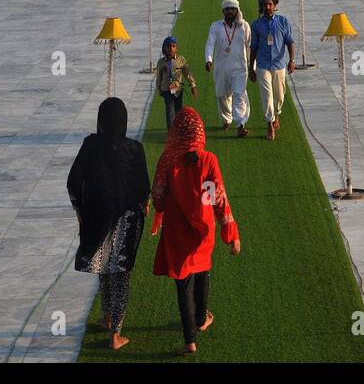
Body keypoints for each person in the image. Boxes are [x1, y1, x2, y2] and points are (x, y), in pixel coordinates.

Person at [151, 108, 240, 355]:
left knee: (183, 283)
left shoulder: (167, 158)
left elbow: (157, 194)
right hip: (203, 230)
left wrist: (163, 208)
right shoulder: (208, 160)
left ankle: (189, 340)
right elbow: (217, 199)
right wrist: (231, 233)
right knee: (202, 271)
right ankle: (202, 318)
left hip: (176, 231)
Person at [67, 98, 150, 351]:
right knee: (121, 274)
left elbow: (73, 183)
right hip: (126, 220)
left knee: (103, 268)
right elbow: (144, 187)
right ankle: (115, 334)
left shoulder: (90, 145)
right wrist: (143, 208)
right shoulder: (134, 149)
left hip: (96, 218)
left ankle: (106, 316)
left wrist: (80, 211)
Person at [248, 0, 295, 141]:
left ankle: (276, 114)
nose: (267, 7)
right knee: (267, 96)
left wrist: (292, 60)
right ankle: (269, 124)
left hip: (279, 64)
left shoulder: (283, 21)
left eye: (270, 4)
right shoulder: (256, 25)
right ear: (261, 7)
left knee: (280, 96)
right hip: (262, 65)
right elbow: (253, 47)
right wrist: (251, 68)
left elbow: (290, 42)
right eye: (265, 5)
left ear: (275, 6)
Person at [204, 0, 251, 136]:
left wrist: (252, 65)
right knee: (222, 95)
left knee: (239, 95)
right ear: (223, 11)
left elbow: (250, 45)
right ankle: (227, 119)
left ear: (237, 11)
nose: (230, 11)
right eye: (227, 9)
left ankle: (240, 124)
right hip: (221, 67)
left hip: (240, 68)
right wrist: (208, 59)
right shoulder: (216, 26)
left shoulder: (244, 26)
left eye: (233, 9)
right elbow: (209, 44)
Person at [155, 36, 197, 130]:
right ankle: (171, 132)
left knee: (179, 110)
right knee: (169, 111)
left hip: (178, 90)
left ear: (176, 48)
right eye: (169, 46)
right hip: (166, 90)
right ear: (165, 47)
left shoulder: (181, 60)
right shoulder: (161, 62)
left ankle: (179, 130)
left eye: (173, 46)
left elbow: (187, 73)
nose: (171, 48)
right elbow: (159, 77)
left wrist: (193, 86)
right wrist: (159, 89)